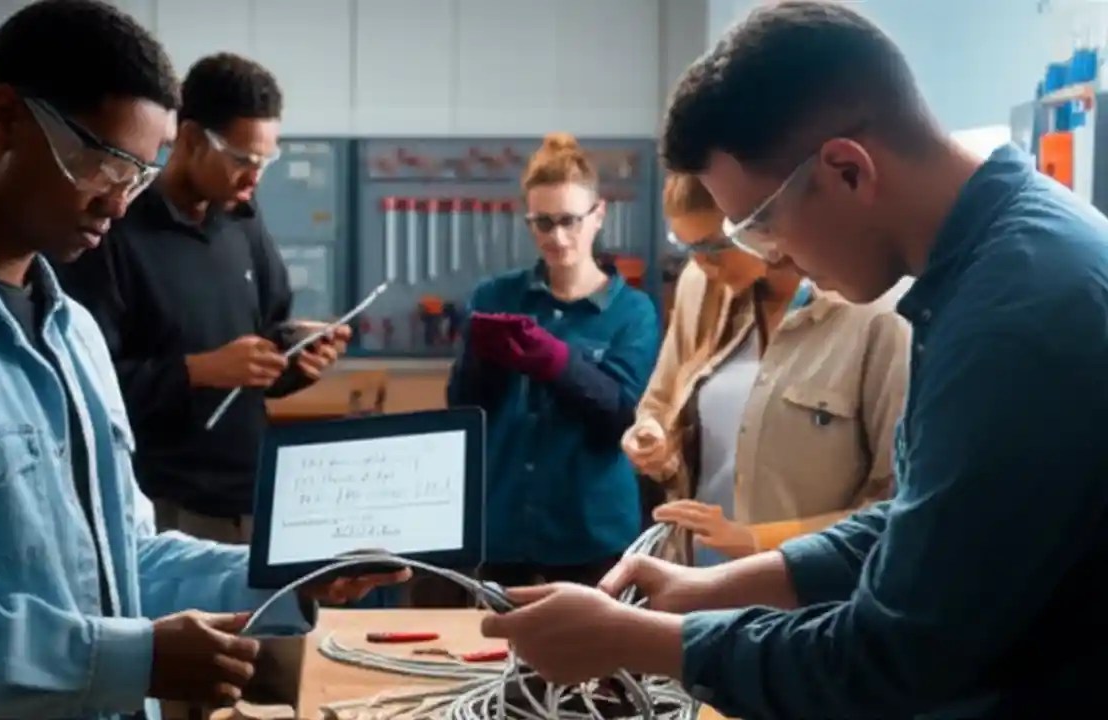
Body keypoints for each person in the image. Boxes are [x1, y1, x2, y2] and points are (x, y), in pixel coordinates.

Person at [479, 2, 1108, 718]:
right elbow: (928, 525)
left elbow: (889, 659)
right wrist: (719, 586)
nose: (771, 256)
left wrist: (641, 640)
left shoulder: (1016, 315)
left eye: (760, 225)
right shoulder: (995, 262)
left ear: (847, 170)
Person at [0, 3, 402, 718]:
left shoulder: (73, 332)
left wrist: (285, 574)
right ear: (5, 120)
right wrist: (138, 659)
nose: (119, 204)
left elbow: (124, 559)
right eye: (104, 164)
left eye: (138, 175)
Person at [56, 52, 350, 543]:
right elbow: (83, 389)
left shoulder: (243, 221)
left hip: (253, 497)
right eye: (242, 160)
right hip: (163, 508)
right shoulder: (113, 231)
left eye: (265, 161)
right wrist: (197, 371)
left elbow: (265, 343)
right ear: (189, 138)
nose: (254, 178)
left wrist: (297, 358)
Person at [623, 172, 907, 566]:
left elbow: (892, 503)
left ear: (761, 223)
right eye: (687, 248)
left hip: (805, 586)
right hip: (694, 571)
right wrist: (653, 435)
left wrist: (759, 541)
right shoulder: (701, 286)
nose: (702, 265)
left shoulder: (876, 315)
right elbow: (660, 401)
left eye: (714, 247)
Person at [445, 132, 660, 588]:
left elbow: (622, 416)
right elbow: (464, 408)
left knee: (596, 638)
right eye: (543, 223)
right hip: (503, 528)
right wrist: (482, 362)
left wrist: (556, 361)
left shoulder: (633, 311)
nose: (557, 237)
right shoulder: (494, 297)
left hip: (591, 533)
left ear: (598, 215)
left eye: (569, 221)